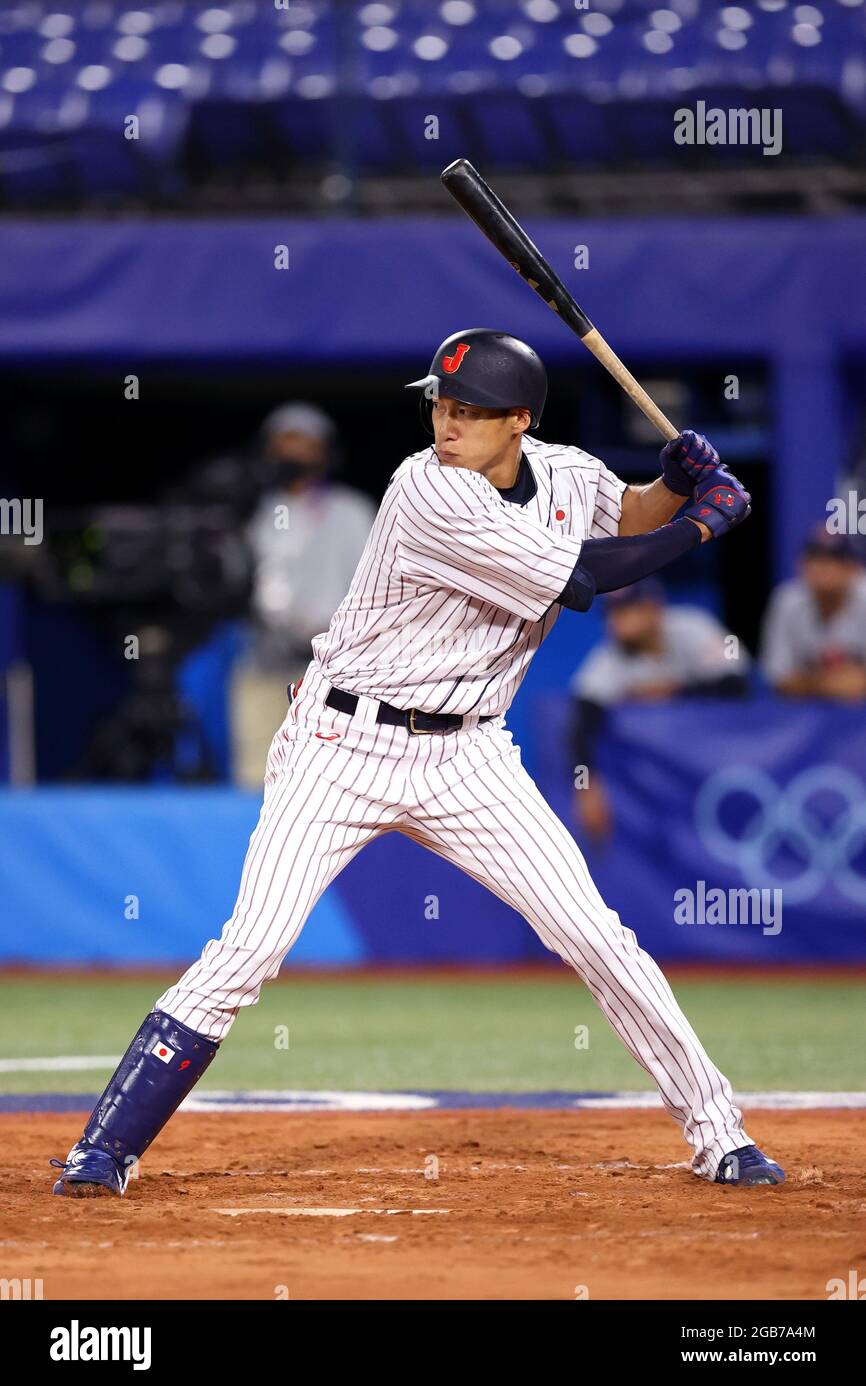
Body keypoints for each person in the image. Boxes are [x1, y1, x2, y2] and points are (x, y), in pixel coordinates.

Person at [50, 329, 784, 1199]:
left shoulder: (567, 472)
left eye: (469, 411)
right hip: (342, 744)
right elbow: (587, 575)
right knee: (249, 949)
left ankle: (722, 1135)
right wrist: (706, 519)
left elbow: (622, 518)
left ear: (520, 421)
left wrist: (673, 485)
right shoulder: (428, 489)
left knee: (595, 935)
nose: (447, 422)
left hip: (470, 751)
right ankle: (104, 1148)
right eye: (440, 402)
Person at [230, 402, 376, 785]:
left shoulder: (351, 511)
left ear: (324, 451)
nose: (292, 452)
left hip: (329, 669)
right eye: (284, 442)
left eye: (303, 442)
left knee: (328, 777)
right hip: (263, 660)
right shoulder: (250, 510)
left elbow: (370, 590)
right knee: (255, 775)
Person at [570, 579, 750, 840]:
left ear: (654, 608)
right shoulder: (609, 658)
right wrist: (585, 786)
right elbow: (581, 724)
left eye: (629, 610)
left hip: (721, 764)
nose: (618, 621)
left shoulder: (692, 628)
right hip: (666, 782)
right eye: (613, 613)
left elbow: (739, 685)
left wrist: (675, 692)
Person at [760, 526, 866, 701]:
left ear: (853, 568)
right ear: (801, 565)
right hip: (805, 714)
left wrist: (806, 682)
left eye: (834, 560)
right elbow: (777, 678)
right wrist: (828, 684)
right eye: (815, 559)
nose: (823, 568)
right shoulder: (786, 601)